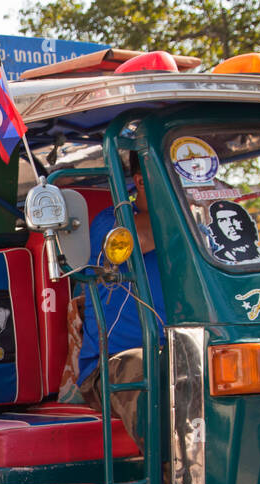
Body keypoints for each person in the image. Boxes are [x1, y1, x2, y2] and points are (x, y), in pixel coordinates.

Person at [76, 154, 166, 449]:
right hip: (111, 365)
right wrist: (194, 209)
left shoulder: (198, 228)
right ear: (140, 181)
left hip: (181, 353)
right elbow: (141, 237)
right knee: (147, 370)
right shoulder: (110, 220)